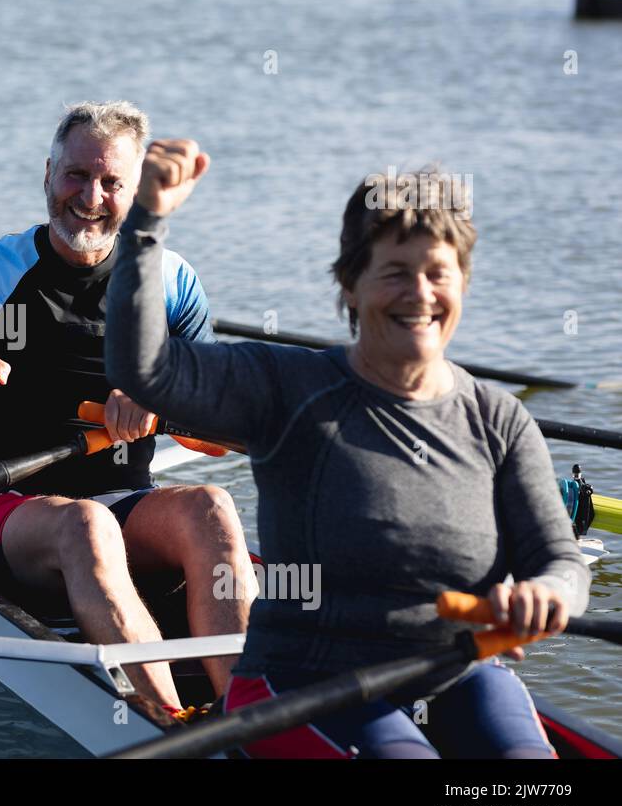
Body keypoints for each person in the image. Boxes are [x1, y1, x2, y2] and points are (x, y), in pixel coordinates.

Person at [106, 148, 589, 757]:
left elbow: (562, 562)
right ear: (350, 287)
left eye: (438, 272)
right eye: (395, 272)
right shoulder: (288, 388)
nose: (420, 293)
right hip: (303, 679)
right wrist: (147, 223)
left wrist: (549, 595)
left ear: (463, 282)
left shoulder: (499, 420)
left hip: (457, 670)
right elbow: (143, 367)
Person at [0, 102, 255, 710]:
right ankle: (170, 723)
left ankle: (252, 716)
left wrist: (161, 400)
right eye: (76, 175)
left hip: (126, 501)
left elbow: (227, 427)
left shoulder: (171, 283)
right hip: (0, 505)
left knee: (211, 504)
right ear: (47, 175)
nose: (90, 197)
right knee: (85, 524)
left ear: (136, 191)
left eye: (111, 182)